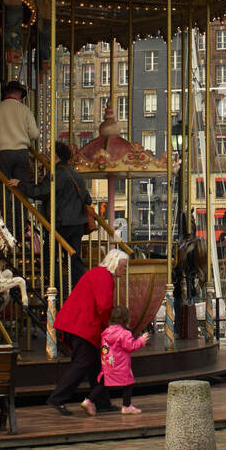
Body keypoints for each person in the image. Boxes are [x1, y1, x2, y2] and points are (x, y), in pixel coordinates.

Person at [47, 249, 128, 414]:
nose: (125, 269)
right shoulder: (104, 276)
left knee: (96, 364)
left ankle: (102, 402)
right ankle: (57, 398)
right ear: (115, 264)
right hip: (83, 326)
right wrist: (111, 328)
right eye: (124, 266)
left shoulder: (98, 274)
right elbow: (104, 306)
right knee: (83, 363)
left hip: (78, 324)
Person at [84, 304, 151, 415]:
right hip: (121, 365)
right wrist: (141, 340)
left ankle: (88, 400)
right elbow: (131, 346)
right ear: (126, 319)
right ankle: (126, 406)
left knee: (103, 384)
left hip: (108, 365)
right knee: (128, 383)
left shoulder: (106, 333)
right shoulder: (124, 334)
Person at [0, 81, 41, 194]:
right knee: (21, 186)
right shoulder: (25, 109)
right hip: (21, 152)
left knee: (3, 186)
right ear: (19, 94)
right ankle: (20, 205)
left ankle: (5, 205)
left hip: (3, 153)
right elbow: (34, 133)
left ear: (6, 93)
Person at [52, 140, 94, 286]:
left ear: (56, 156)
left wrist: (22, 186)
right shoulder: (75, 174)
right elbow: (88, 199)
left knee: (50, 256)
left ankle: (59, 287)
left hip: (63, 222)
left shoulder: (58, 173)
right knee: (74, 257)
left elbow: (43, 191)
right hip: (78, 223)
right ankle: (79, 287)